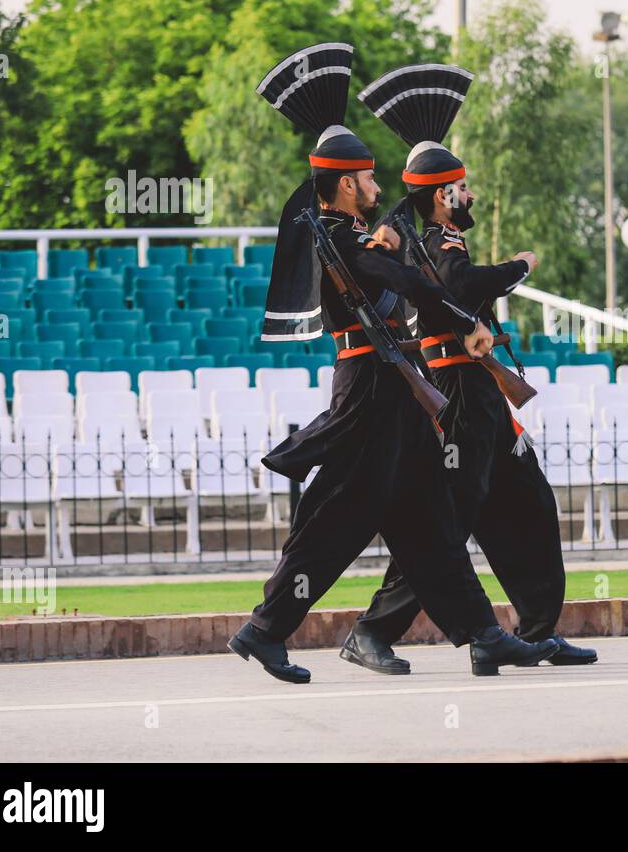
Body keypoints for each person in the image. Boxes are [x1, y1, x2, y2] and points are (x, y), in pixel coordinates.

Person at [230, 43, 560, 682]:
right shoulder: (338, 233)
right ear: (346, 183)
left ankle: (485, 635)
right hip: (368, 391)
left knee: (430, 523)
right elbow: (406, 282)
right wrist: (431, 279)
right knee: (337, 522)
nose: (380, 190)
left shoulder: (353, 232)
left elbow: (402, 275)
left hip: (393, 389)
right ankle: (265, 630)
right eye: (370, 180)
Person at [336, 64, 596, 674]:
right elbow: (461, 284)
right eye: (462, 188)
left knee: (528, 505)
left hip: (480, 391)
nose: (470, 195)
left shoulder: (441, 238)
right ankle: (373, 631)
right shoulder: (436, 242)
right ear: (442, 194)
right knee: (447, 521)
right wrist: (519, 267)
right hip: (455, 390)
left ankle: (536, 630)